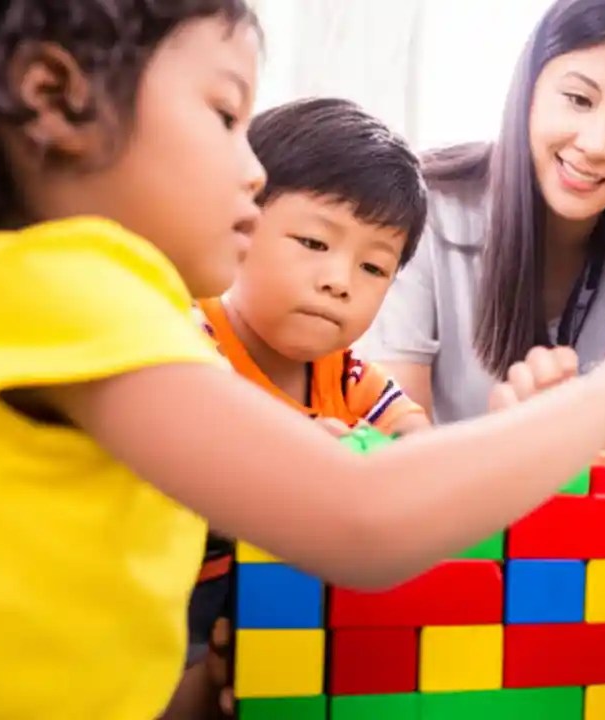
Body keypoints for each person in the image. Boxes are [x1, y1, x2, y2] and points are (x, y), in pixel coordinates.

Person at [0, 3, 605, 718]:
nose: (254, 169)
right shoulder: (56, 289)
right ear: (56, 99)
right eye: (226, 116)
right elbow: (361, 518)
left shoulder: (59, 302)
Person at [164, 97, 431, 718]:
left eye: (373, 266)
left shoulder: (351, 375)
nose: (340, 279)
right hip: (172, 624)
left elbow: (419, 444)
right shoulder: (186, 339)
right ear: (240, 221)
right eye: (314, 242)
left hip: (299, 631)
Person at [359, 0, 605, 424]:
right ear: (529, 88)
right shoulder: (423, 212)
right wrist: (520, 444)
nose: (596, 144)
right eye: (579, 99)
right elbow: (396, 454)